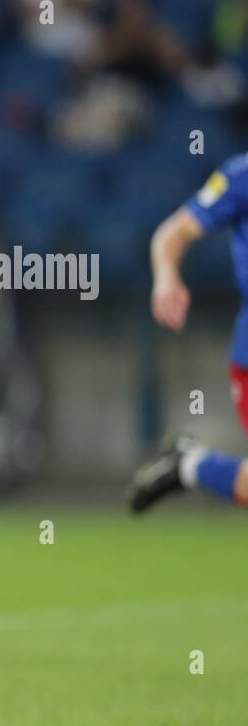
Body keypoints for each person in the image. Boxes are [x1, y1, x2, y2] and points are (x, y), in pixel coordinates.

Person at [128, 155, 248, 511]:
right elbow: (174, 231)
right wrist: (166, 276)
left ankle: (190, 465)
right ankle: (192, 466)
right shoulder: (241, 175)